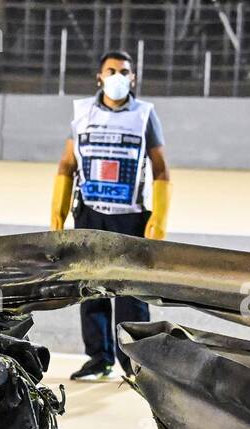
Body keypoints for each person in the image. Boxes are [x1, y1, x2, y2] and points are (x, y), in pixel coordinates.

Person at [50, 49, 172, 381]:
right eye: (111, 70)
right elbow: (67, 163)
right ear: (99, 76)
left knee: (131, 293)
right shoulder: (82, 113)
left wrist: (158, 217)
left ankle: (137, 362)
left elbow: (160, 168)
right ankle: (99, 358)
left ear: (133, 78)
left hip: (129, 216)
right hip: (89, 212)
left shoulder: (145, 115)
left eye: (124, 71)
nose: (117, 76)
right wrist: (58, 213)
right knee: (90, 290)